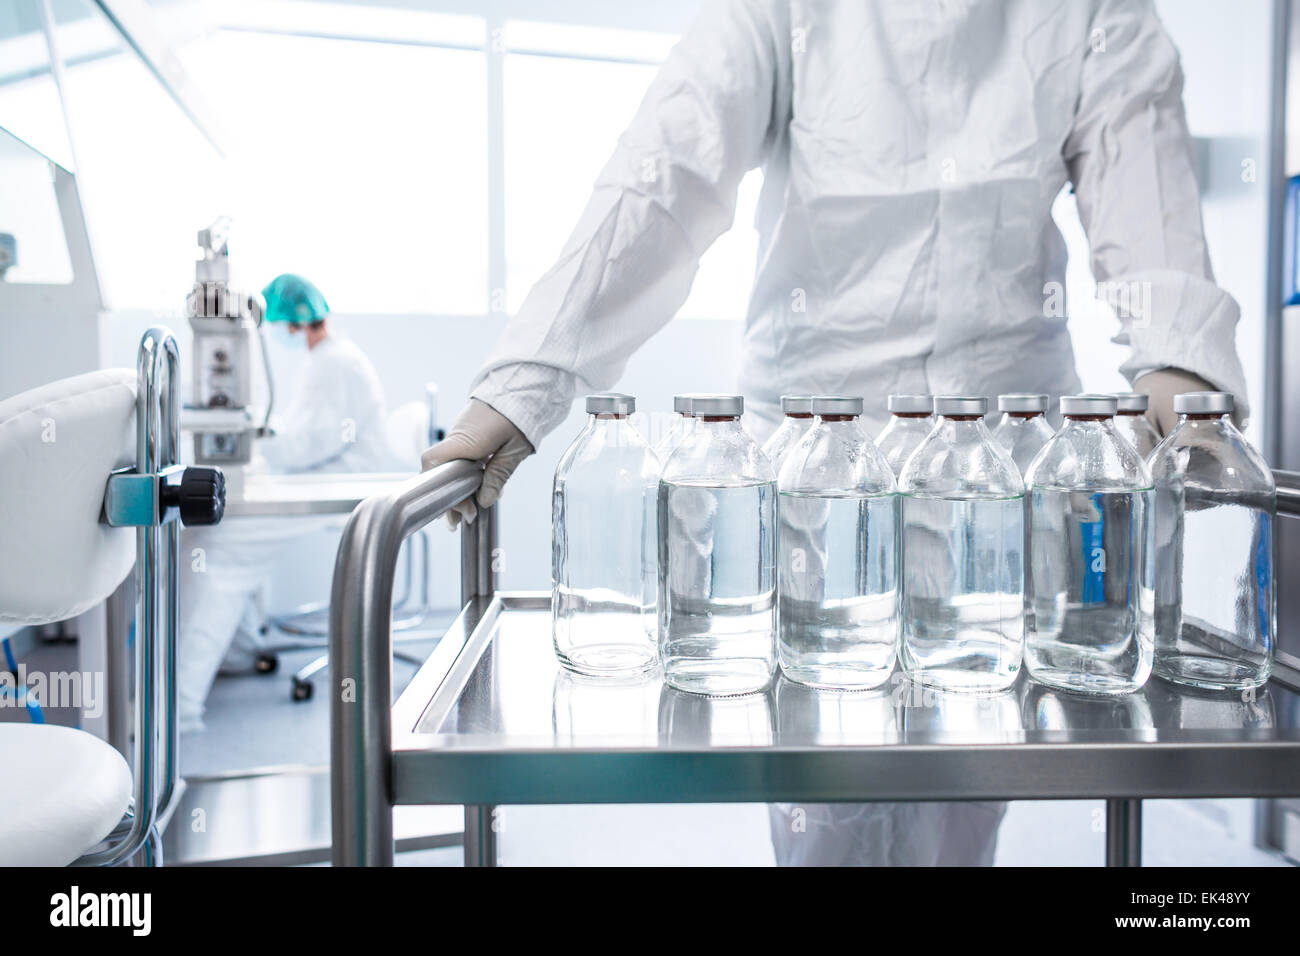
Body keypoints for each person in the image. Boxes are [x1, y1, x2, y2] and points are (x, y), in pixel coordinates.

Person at [422, 1, 1249, 865]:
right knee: (820, 784)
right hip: (814, 473)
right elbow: (666, 169)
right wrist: (526, 387)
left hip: (999, 472)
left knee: (968, 786)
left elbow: (1140, 163)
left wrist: (1179, 362)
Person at [178, 274, 389, 731]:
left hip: (339, 483)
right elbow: (309, 437)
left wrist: (260, 437)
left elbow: (310, 444)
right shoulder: (332, 358)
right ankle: (234, 654)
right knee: (217, 533)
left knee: (222, 542)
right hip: (326, 475)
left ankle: (179, 710)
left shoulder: (332, 363)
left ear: (293, 324)